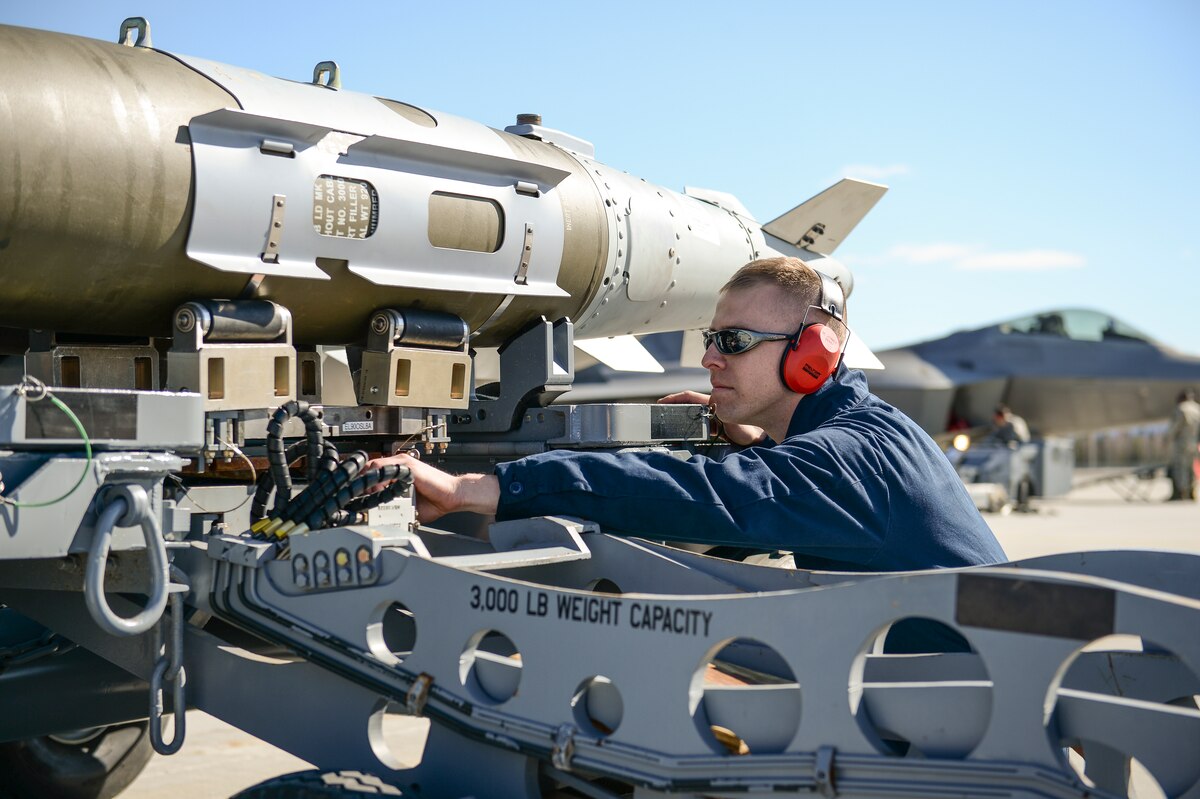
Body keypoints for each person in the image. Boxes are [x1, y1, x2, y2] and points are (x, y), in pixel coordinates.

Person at [376, 257, 1005, 580]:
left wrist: (474, 489)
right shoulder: (872, 429)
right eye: (711, 337)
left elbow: (697, 493)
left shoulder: (846, 460)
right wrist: (759, 439)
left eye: (732, 341)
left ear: (814, 350)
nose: (708, 356)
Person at [1166, 389, 1200, 501]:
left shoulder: (1181, 409)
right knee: (1190, 468)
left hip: (1182, 443)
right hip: (1193, 443)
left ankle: (1181, 492)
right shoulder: (1197, 409)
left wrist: (1168, 438)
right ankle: (1191, 492)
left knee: (1180, 468)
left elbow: (1176, 427)